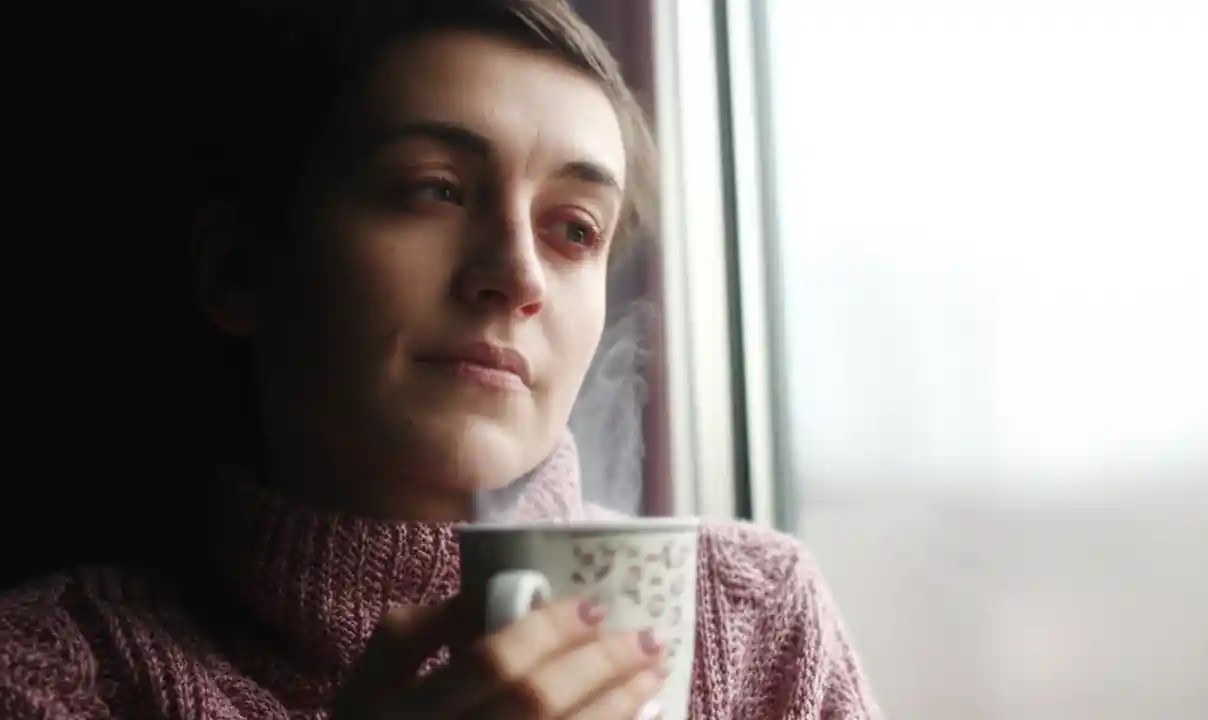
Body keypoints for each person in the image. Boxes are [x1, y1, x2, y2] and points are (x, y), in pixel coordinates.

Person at [0, 1, 882, 717]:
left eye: (575, 230)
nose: (516, 275)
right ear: (239, 271)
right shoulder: (54, 674)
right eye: (434, 190)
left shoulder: (757, 617)